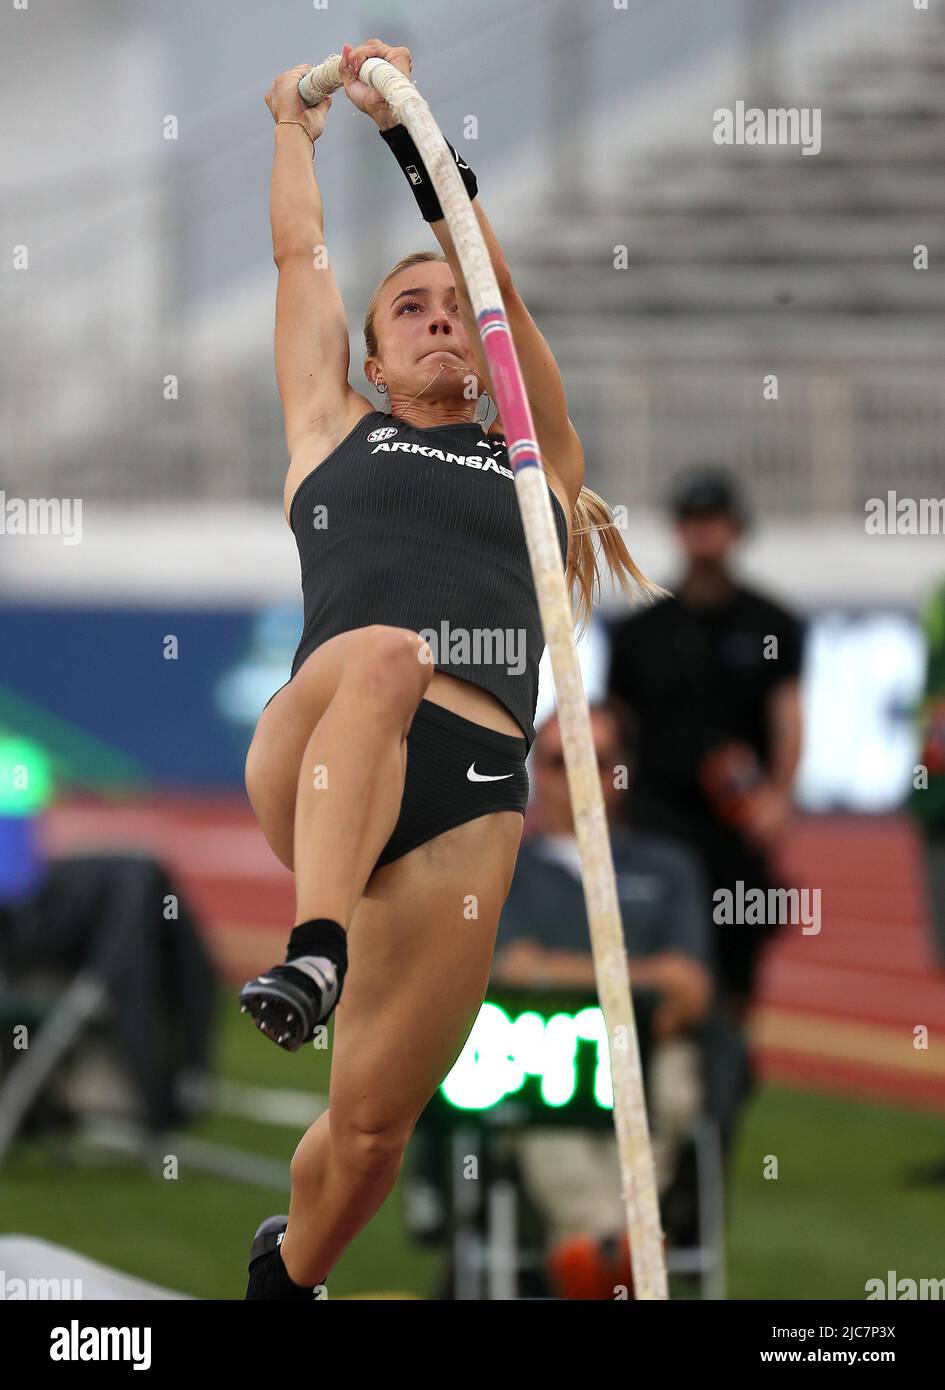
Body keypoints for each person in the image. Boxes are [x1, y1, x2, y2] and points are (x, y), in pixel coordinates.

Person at [240, 39, 658, 1300]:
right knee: (381, 656)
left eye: (448, 311)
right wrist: (297, 128)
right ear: (371, 357)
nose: (436, 323)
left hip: (467, 801)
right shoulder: (331, 432)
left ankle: (285, 1277)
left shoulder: (537, 470)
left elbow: (501, 290)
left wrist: (415, 145)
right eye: (406, 310)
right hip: (321, 742)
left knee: (368, 1138)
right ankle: (315, 948)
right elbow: (299, 260)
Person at [491, 705, 714, 1297]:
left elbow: (690, 989)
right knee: (544, 1104)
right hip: (544, 1057)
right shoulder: (505, 866)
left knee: (671, 1089)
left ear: (624, 773)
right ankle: (621, 1248)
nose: (580, 777)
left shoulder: (669, 867)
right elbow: (517, 970)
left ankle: (593, 1254)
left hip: (647, 1053)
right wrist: (645, 976)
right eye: (563, 763)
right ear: (539, 771)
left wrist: (565, 974)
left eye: (599, 760)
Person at [608, 467, 804, 1023]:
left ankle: (724, 1092)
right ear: (678, 529)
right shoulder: (640, 632)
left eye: (714, 521)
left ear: (737, 528)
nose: (704, 533)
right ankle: (658, 1087)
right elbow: (618, 726)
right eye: (693, 521)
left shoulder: (773, 623)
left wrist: (780, 796)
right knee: (653, 964)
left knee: (736, 974)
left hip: (733, 830)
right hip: (654, 822)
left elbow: (787, 715)